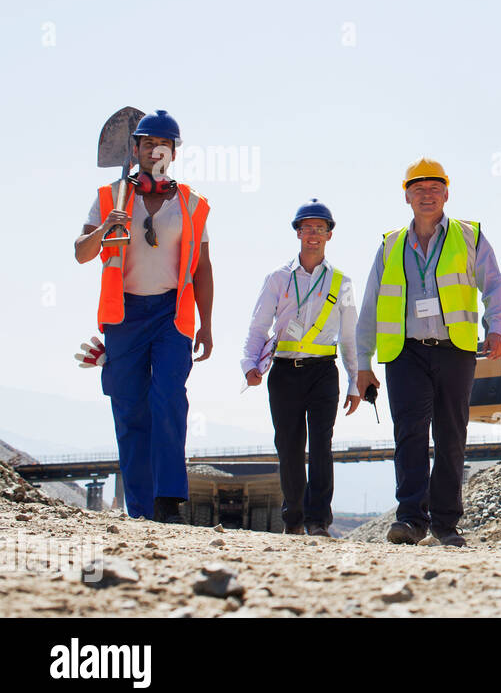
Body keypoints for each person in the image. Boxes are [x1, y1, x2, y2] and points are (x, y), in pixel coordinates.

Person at [355, 158, 501, 547]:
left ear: (446, 193)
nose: (427, 194)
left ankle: (445, 523)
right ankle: (410, 519)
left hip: (454, 350)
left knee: (451, 434)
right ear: (406, 196)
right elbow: (370, 306)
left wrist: (496, 328)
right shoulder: (390, 245)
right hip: (404, 353)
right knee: (409, 433)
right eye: (419, 188)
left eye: (434, 187)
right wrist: (363, 363)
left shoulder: (469, 235)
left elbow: (493, 286)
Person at [74, 109, 214, 523]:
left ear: (173, 153)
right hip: (124, 315)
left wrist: (206, 323)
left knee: (168, 397)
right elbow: (81, 252)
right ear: (134, 149)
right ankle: (139, 508)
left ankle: (166, 500)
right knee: (130, 408)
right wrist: (106, 228)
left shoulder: (191, 203)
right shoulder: (108, 197)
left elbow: (202, 267)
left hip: (172, 314)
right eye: (149, 144)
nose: (157, 151)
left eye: (165, 146)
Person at [241, 200, 361, 537]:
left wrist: (354, 381)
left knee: (322, 443)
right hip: (283, 372)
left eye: (320, 228)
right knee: (289, 445)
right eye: (307, 227)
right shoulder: (277, 278)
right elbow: (258, 326)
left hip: (323, 371)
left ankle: (318, 520)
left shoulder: (344, 283)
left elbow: (350, 335)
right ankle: (293, 518)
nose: (313, 234)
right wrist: (250, 364)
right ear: (297, 232)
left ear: (330, 234)